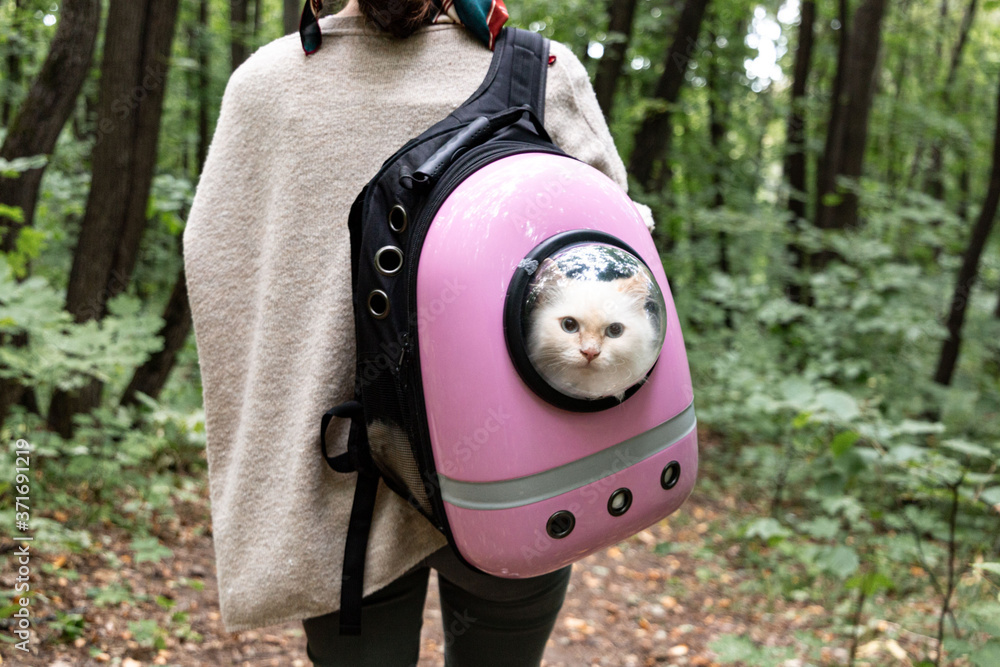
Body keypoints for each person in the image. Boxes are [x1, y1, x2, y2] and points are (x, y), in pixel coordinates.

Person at [183, 0, 654, 664]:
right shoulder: (538, 71)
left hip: (349, 489)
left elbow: (225, 284)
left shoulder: (268, 85)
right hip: (506, 479)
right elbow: (620, 254)